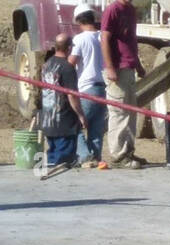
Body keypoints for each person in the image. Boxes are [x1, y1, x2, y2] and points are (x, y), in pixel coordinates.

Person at [100, 0, 145, 168]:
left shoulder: (130, 10)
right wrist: (110, 67)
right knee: (119, 112)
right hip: (118, 70)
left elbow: (130, 41)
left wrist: (138, 65)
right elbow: (104, 38)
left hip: (129, 68)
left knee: (131, 113)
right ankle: (118, 156)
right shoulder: (113, 9)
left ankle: (128, 151)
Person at [38, 34, 86, 171]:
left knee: (52, 161)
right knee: (63, 165)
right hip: (64, 122)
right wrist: (81, 115)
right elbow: (72, 95)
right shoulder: (67, 68)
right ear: (69, 48)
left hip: (49, 120)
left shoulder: (46, 65)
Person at [69, 5, 107, 168]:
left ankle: (85, 157)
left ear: (78, 20)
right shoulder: (102, 37)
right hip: (103, 88)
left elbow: (71, 63)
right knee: (96, 129)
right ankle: (96, 158)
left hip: (86, 88)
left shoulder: (80, 39)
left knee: (74, 124)